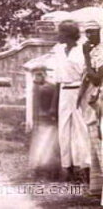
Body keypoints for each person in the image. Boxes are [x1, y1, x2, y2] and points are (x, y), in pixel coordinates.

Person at [52, 20, 91, 182]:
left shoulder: (81, 51)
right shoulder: (58, 51)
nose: (57, 35)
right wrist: (54, 103)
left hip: (79, 92)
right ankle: (67, 168)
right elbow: (57, 80)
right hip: (64, 92)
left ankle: (85, 168)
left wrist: (80, 97)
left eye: (60, 32)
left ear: (67, 35)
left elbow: (87, 76)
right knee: (63, 131)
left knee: (80, 131)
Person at [82, 21, 103, 198]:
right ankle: (97, 188)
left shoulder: (99, 51)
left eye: (93, 33)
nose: (89, 36)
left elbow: (96, 78)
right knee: (95, 140)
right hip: (96, 100)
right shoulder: (95, 50)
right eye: (87, 33)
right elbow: (87, 77)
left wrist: (86, 56)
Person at [29, 68, 61, 179]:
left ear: (44, 75)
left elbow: (54, 103)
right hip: (39, 121)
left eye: (39, 75)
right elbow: (34, 106)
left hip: (48, 120)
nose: (37, 77)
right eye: (35, 75)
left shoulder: (49, 88)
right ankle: (39, 170)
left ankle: (51, 171)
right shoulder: (35, 88)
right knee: (40, 146)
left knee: (49, 146)